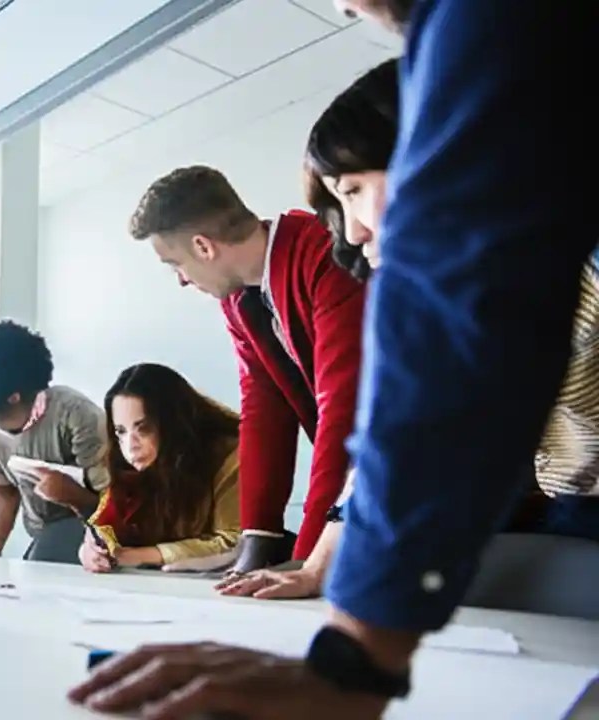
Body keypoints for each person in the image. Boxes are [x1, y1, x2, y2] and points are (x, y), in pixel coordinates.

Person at [69, 2, 593, 718]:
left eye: (351, 192)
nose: (344, 5)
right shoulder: (244, 304)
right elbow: (290, 418)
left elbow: (426, 373)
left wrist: (350, 637)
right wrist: (287, 551)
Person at [220, 56, 599, 603]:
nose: (352, 229)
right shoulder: (447, 301)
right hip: (571, 512)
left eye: (352, 190)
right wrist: (317, 567)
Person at [126, 164, 364, 573]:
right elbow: (263, 414)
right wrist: (256, 541)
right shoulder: (238, 299)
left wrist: (308, 558)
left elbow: (343, 416)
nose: (181, 280)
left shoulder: (323, 254)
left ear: (203, 247)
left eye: (173, 263)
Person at [0, 320, 109, 564]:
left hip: (99, 531)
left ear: (13, 397)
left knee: (57, 539)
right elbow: (3, 491)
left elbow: (117, 503)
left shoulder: (76, 415)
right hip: (44, 535)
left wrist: (72, 495)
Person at [80, 363, 242, 573]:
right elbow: (106, 524)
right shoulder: (126, 463)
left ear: (173, 423)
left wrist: (139, 556)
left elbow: (235, 543)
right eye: (120, 431)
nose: (130, 446)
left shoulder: (230, 454)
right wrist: (90, 549)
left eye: (143, 428)